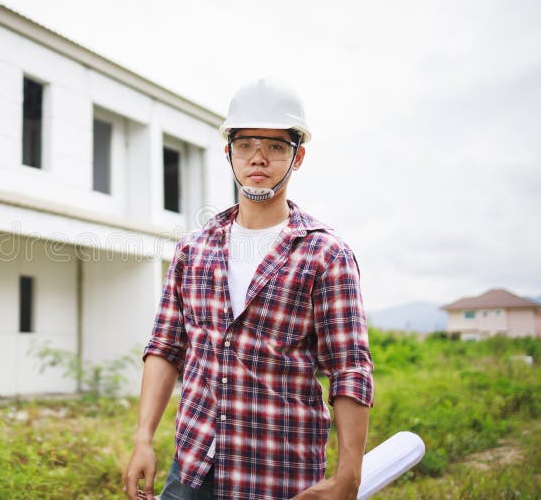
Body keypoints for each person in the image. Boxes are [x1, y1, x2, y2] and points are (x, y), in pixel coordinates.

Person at [124, 78, 374, 500]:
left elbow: (349, 368)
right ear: (229, 152)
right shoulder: (193, 250)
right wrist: (143, 439)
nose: (258, 158)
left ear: (298, 157)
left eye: (275, 146)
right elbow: (166, 347)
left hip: (279, 476)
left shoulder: (325, 255)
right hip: (192, 471)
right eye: (245, 145)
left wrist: (349, 473)